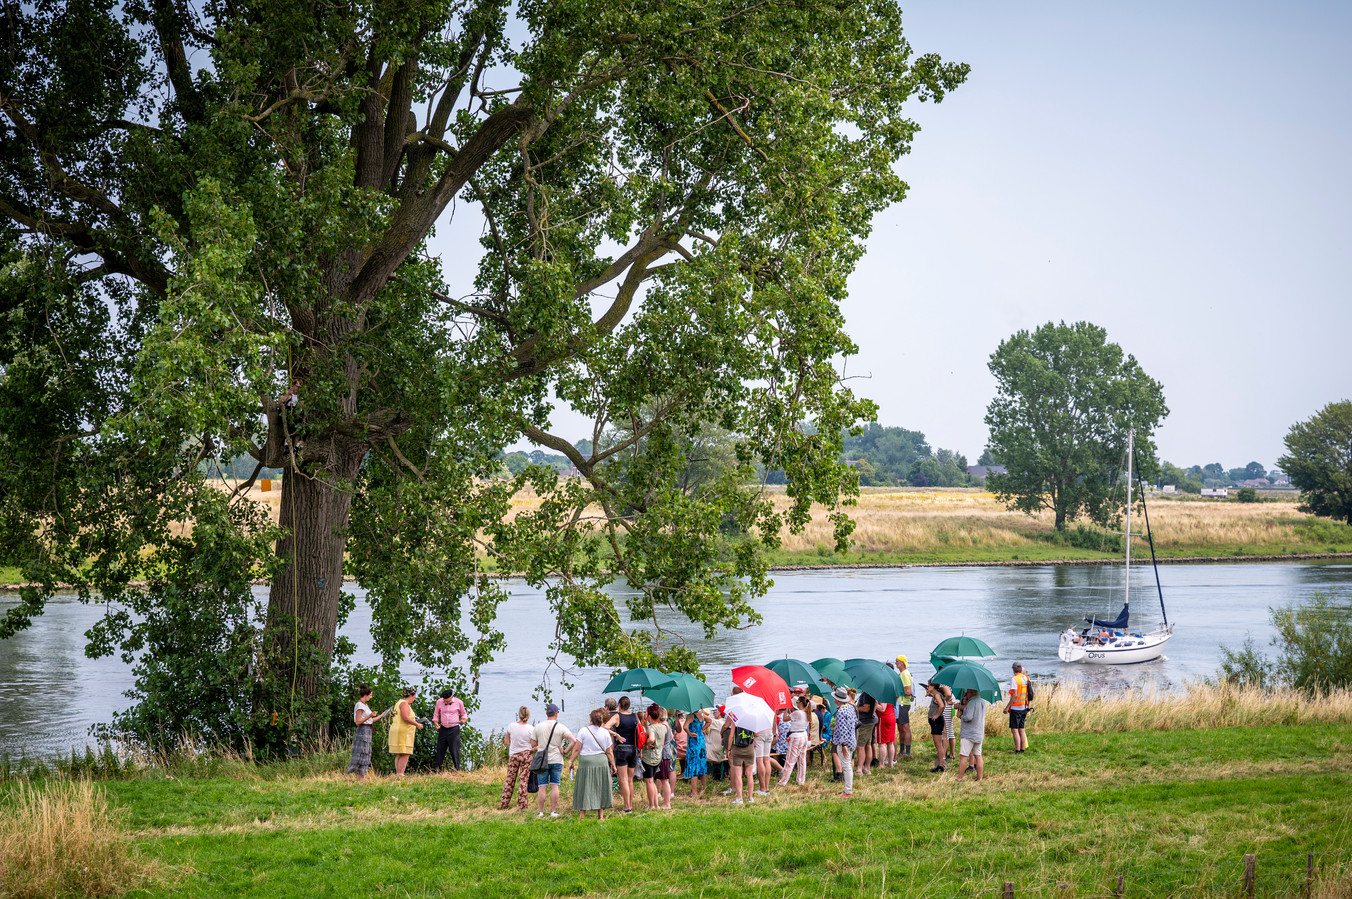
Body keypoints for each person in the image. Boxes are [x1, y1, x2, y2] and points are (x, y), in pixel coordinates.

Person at [569, 708, 616, 820]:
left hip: (586, 761)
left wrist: (571, 761)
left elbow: (576, 749)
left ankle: (582, 815)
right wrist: (613, 765)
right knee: (601, 786)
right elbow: (609, 751)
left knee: (584, 786)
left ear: (591, 720)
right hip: (601, 761)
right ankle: (600, 815)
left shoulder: (583, 731)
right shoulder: (605, 733)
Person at [531, 703, 574, 817]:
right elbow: (573, 741)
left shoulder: (538, 726)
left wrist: (540, 746)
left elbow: (532, 744)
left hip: (542, 761)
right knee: (555, 786)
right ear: (556, 714)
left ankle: (540, 811)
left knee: (542, 786)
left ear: (546, 713)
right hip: (556, 759)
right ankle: (553, 811)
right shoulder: (561, 727)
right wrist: (564, 751)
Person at [605, 696, 639, 813]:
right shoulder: (635, 716)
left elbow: (605, 727)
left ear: (619, 705)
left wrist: (616, 734)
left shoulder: (617, 716)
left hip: (622, 749)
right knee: (630, 779)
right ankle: (630, 805)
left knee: (623, 779)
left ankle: (627, 807)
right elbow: (640, 730)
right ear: (629, 705)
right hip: (633, 749)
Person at [499, 706, 535, 810]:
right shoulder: (531, 729)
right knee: (523, 781)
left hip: (514, 755)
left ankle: (504, 803)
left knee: (510, 780)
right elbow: (534, 745)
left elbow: (506, 742)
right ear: (528, 715)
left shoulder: (511, 726)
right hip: (526, 755)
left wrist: (514, 746)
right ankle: (522, 805)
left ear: (519, 715)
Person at [346, 684, 384, 780]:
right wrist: (370, 715)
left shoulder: (365, 705)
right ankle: (360, 776)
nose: (371, 697)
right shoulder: (359, 705)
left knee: (366, 753)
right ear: (365, 695)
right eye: (370, 695)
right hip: (362, 731)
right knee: (361, 752)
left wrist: (381, 715)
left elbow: (370, 720)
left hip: (368, 730)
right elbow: (358, 721)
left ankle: (362, 777)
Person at [387, 687, 424, 776]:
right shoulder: (404, 704)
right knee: (405, 753)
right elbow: (405, 717)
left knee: (400, 753)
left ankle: (398, 773)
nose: (414, 699)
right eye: (414, 697)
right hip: (403, 732)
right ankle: (400, 773)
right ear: (410, 696)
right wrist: (417, 724)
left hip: (398, 729)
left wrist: (416, 719)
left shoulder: (398, 703)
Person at [723, 707, 756, 805]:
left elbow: (731, 735)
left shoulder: (735, 717)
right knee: (749, 774)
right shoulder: (752, 718)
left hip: (737, 749)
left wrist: (729, 749)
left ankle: (740, 798)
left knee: (738, 775)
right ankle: (750, 798)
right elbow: (756, 734)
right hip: (749, 748)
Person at [640, 703, 670, 810]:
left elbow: (652, 738)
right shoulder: (662, 727)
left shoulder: (651, 729)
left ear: (649, 715)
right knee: (652, 780)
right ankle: (656, 804)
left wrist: (647, 744)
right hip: (658, 757)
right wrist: (646, 727)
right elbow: (655, 732)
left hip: (649, 758)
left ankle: (651, 805)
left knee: (649, 781)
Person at [954, 688, 988, 782]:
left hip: (969, 733)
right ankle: (979, 777)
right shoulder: (983, 701)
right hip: (979, 732)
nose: (966, 694)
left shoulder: (972, 703)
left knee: (963, 756)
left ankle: (959, 777)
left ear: (971, 693)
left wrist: (960, 716)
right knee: (978, 755)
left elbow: (968, 717)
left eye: (967, 692)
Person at [829, 686, 857, 797]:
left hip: (844, 742)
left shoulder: (841, 712)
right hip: (852, 739)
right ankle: (847, 789)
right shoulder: (850, 707)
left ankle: (848, 791)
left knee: (846, 767)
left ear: (837, 699)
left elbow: (842, 729)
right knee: (848, 765)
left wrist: (843, 744)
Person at [431, 688, 468, 772]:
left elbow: (464, 714)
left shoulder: (459, 702)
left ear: (452, 697)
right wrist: (436, 723)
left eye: (447, 701)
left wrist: (463, 721)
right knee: (440, 749)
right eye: (445, 701)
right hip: (443, 728)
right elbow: (436, 714)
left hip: (454, 729)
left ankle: (457, 769)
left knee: (454, 750)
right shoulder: (439, 702)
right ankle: (437, 770)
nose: (446, 703)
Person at [778, 694, 812, 786]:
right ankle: (801, 780)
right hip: (803, 735)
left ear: (800, 703)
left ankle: (783, 781)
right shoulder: (806, 713)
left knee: (790, 760)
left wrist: (786, 710)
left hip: (796, 736)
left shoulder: (797, 713)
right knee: (802, 760)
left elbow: (785, 719)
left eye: (797, 702)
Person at [1004, 662, 1031, 753]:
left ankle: (1017, 749)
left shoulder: (1014, 679)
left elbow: (1014, 694)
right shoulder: (1026, 678)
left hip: (1016, 708)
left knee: (1014, 730)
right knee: (1021, 729)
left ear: (1013, 670)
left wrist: (1007, 707)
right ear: (1020, 669)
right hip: (1024, 707)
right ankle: (1022, 749)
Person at [923, 682, 948, 772]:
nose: (927, 687)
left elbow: (942, 706)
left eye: (929, 686)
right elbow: (944, 704)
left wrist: (937, 715)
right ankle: (940, 764)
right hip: (937, 721)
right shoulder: (937, 694)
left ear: (933, 687)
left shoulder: (937, 695)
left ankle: (940, 765)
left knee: (938, 745)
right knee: (938, 744)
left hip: (937, 721)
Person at [684, 708, 708, 799]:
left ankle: (694, 792)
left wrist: (689, 733)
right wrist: (703, 729)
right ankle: (703, 788)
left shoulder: (691, 716)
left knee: (694, 765)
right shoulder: (701, 714)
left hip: (694, 742)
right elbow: (709, 720)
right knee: (702, 764)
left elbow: (685, 727)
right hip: (701, 741)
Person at [895, 655, 915, 759]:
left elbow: (908, 691)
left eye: (897, 661)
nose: (895, 663)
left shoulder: (905, 674)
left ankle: (907, 751)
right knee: (900, 728)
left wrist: (897, 693)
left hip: (903, 703)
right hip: (899, 704)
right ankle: (902, 750)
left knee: (905, 727)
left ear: (902, 662)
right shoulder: (902, 674)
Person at [854, 691, 876, 778]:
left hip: (865, 722)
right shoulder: (871, 693)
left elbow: (866, 708)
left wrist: (855, 707)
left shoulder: (867, 693)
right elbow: (875, 705)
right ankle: (867, 768)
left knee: (860, 746)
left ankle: (860, 769)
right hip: (869, 721)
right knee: (868, 745)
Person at [705, 708, 727, 783]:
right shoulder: (725, 722)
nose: (713, 712)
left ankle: (700, 775)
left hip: (716, 754)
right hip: (721, 751)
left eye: (715, 711)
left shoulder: (718, 722)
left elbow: (707, 719)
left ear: (720, 713)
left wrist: (698, 711)